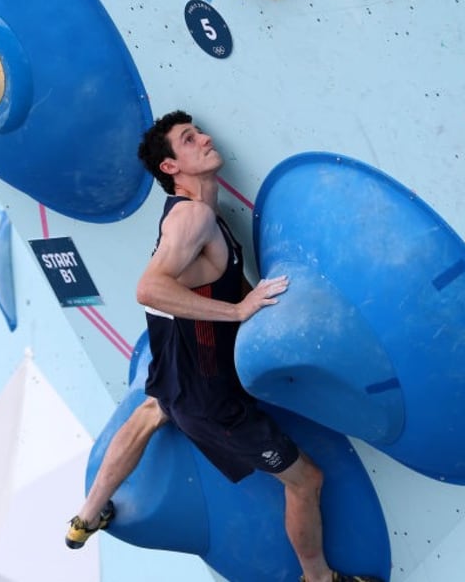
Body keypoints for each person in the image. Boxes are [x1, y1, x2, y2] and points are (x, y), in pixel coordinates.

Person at [65, 111, 383, 582]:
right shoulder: (191, 217)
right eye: (189, 140)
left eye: (198, 132)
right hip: (210, 402)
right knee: (305, 481)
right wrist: (238, 312)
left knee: (153, 408)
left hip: (175, 370)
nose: (206, 139)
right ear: (171, 168)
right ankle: (318, 578)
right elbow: (149, 289)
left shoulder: (200, 214)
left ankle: (87, 516)